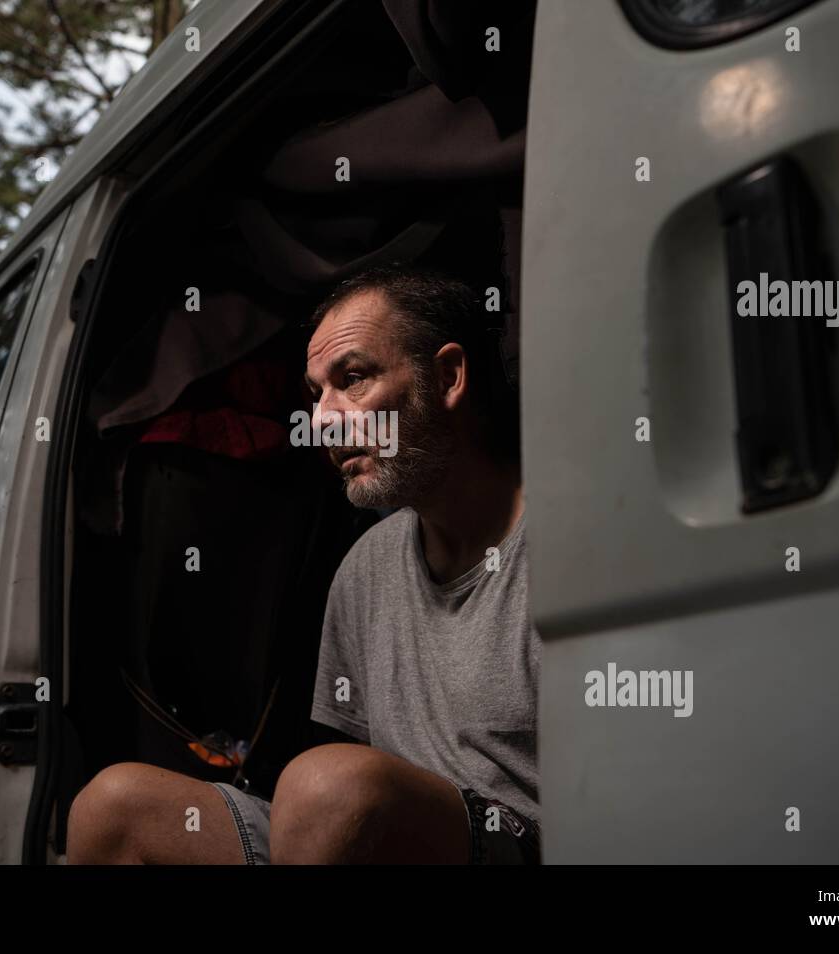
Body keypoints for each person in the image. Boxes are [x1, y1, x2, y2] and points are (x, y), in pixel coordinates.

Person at [67, 263, 540, 864]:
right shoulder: (367, 565)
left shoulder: (564, 544)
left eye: (354, 379)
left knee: (326, 788)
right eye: (316, 395)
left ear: (448, 376)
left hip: (528, 841)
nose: (321, 421)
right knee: (113, 806)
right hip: (387, 839)